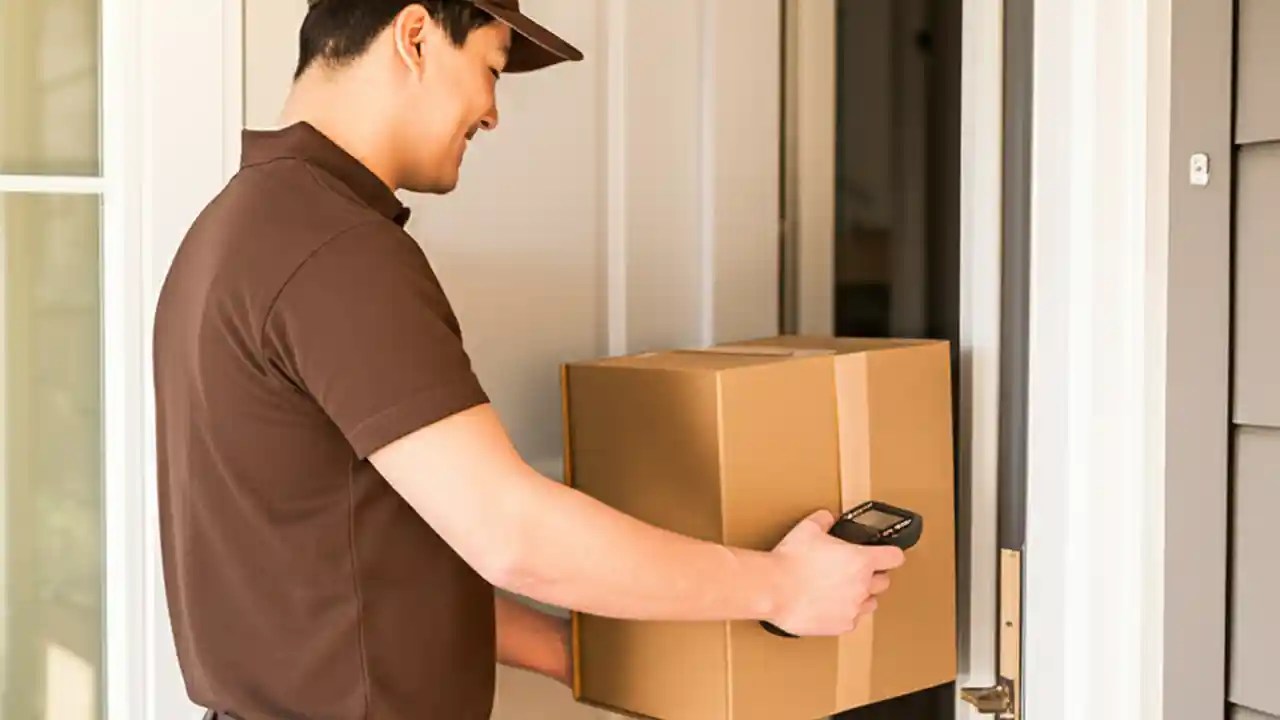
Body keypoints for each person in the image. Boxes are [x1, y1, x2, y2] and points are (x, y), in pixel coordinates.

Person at [152, 1, 906, 718]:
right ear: (414, 36)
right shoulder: (336, 249)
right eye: (491, 67)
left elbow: (351, 555)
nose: (491, 111)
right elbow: (509, 534)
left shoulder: (238, 230)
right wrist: (781, 587)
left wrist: (559, 649)